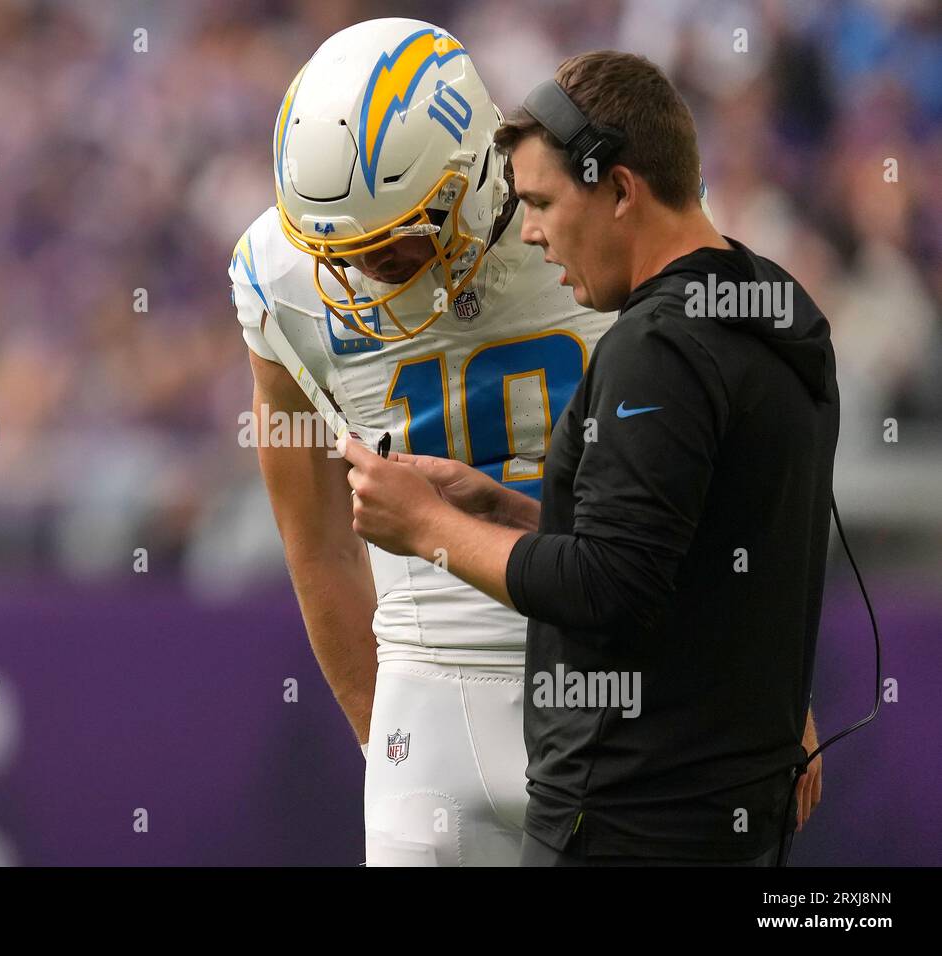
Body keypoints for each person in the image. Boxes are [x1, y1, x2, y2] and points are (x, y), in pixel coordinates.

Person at [338, 50, 832, 865]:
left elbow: (611, 587)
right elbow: (688, 556)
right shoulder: (773, 306)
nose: (529, 230)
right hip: (734, 812)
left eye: (541, 201)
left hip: (632, 820)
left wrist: (428, 527)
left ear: (620, 190)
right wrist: (512, 512)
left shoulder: (656, 346)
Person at [228, 18, 614, 865]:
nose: (365, 275)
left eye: (394, 240)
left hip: (622, 676)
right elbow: (318, 541)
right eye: (343, 251)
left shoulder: (597, 219)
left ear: (474, 172)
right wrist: (386, 744)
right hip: (430, 696)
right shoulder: (285, 277)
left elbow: (739, 460)